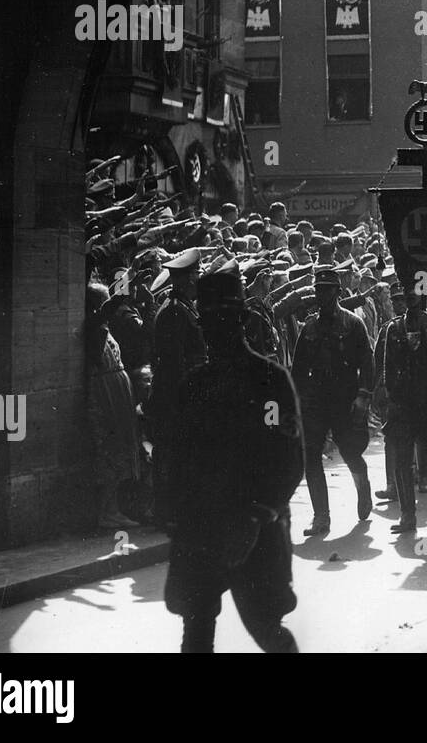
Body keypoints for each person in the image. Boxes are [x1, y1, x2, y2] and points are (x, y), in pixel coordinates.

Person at [162, 263, 304, 654]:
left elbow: (286, 457)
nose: (212, 330)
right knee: (196, 634)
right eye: (206, 321)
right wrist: (171, 512)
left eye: (223, 319)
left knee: (267, 631)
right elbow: (178, 457)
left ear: (241, 320)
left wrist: (257, 517)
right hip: (202, 527)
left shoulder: (269, 381)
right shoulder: (194, 386)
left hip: (253, 527)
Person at [290, 266, 376, 536]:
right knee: (312, 456)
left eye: (327, 290)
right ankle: (321, 516)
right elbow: (299, 369)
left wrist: (363, 396)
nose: (322, 295)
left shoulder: (352, 324)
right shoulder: (309, 328)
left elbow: (368, 363)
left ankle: (362, 486)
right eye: (318, 290)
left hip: (345, 397)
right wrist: (297, 402)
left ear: (338, 292)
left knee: (350, 452)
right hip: (316, 400)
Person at [382, 282, 427, 533]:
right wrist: (392, 396)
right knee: (403, 459)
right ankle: (407, 514)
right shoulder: (394, 327)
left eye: (415, 295)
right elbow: (388, 367)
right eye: (407, 296)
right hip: (405, 401)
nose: (410, 299)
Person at [147, 247, 207, 527]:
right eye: (196, 275)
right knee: (171, 455)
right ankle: (167, 514)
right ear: (184, 279)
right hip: (175, 397)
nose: (199, 280)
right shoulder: (173, 312)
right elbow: (175, 364)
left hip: (182, 393)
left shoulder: (183, 307)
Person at [85, 282, 144, 529]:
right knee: (111, 453)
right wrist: (121, 294)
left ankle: (113, 509)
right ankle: (106, 511)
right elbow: (105, 313)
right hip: (106, 393)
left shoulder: (103, 329)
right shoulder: (95, 329)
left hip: (115, 390)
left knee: (120, 450)